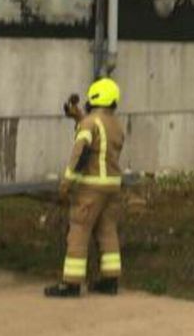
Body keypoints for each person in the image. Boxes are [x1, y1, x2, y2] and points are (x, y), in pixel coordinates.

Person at [44, 77, 125, 298]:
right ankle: (110, 282)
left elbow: (81, 154)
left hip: (91, 187)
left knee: (79, 230)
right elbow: (99, 135)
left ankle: (71, 283)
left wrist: (66, 185)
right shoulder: (116, 124)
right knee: (107, 231)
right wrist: (77, 116)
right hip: (112, 187)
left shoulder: (90, 123)